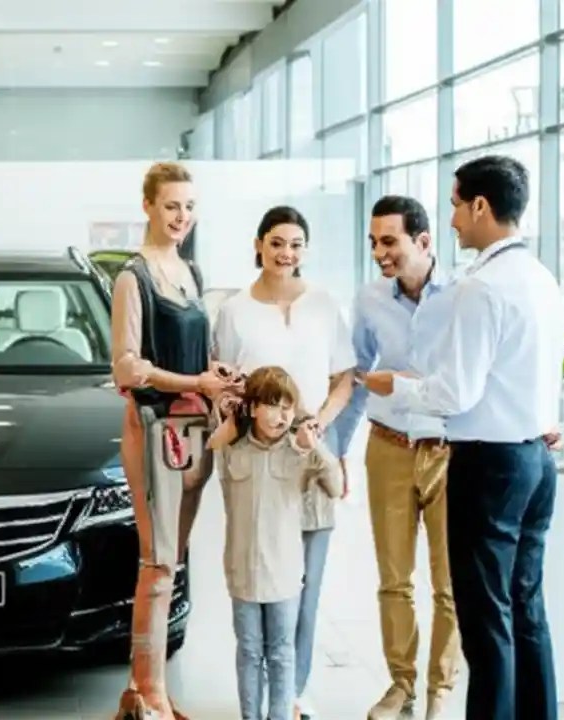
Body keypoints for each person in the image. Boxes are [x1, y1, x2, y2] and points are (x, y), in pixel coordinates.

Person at [361, 155, 564, 720]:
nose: (451, 221)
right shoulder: (541, 277)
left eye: (455, 205)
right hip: (536, 461)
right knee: (526, 607)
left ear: (481, 206)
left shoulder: (483, 286)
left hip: (490, 465)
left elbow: (455, 395)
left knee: (484, 620)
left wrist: (395, 387)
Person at [211, 205, 355, 720]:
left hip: (309, 440)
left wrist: (320, 425)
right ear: (258, 245)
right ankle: (262, 697)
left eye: (296, 244)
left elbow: (344, 377)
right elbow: (225, 383)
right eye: (276, 243)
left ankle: (292, 691)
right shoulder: (234, 310)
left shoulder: (323, 305)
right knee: (261, 567)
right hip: (256, 452)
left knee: (307, 580)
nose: (286, 253)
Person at [110, 160, 240, 720]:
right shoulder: (132, 277)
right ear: (148, 207)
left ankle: (155, 690)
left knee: (174, 562)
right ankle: (149, 692)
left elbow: (195, 354)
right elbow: (126, 367)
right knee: (157, 564)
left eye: (188, 207)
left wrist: (217, 375)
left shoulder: (190, 272)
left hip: (194, 435)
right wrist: (194, 382)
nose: (181, 216)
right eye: (171, 206)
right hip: (154, 430)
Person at [327, 195, 460, 720]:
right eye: (374, 242)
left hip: (449, 452)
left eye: (390, 242)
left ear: (423, 241)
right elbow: (356, 378)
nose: (380, 253)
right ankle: (401, 685)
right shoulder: (368, 299)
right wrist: (337, 449)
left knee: (448, 584)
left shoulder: (462, 297)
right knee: (394, 579)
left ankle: (440, 691)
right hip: (387, 447)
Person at [206, 366, 345, 720]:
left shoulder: (298, 451)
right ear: (252, 408)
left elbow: (336, 486)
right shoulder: (233, 448)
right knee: (250, 652)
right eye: (270, 405)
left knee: (282, 654)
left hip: (284, 576)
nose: (280, 415)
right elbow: (209, 445)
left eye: (287, 407)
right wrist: (232, 419)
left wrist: (315, 448)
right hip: (242, 574)